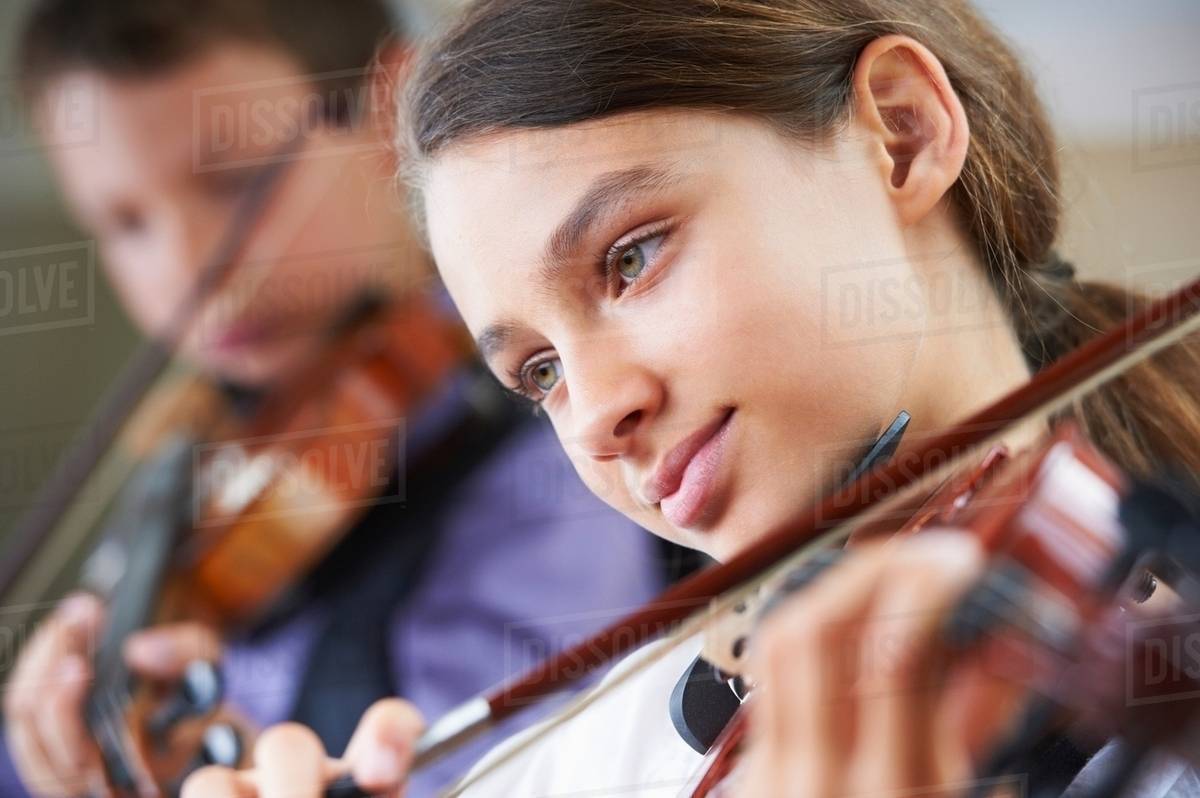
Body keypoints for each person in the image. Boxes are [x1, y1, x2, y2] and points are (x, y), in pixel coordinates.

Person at [183, 0, 1200, 796]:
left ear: (899, 133)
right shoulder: (571, 759)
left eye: (631, 257)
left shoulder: (1154, 668)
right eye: (539, 372)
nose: (591, 414)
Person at [0, 1, 676, 797]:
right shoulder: (198, 445)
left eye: (237, 182)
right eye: (124, 223)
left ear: (387, 101)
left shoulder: (548, 436)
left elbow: (499, 774)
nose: (190, 271)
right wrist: (57, 729)